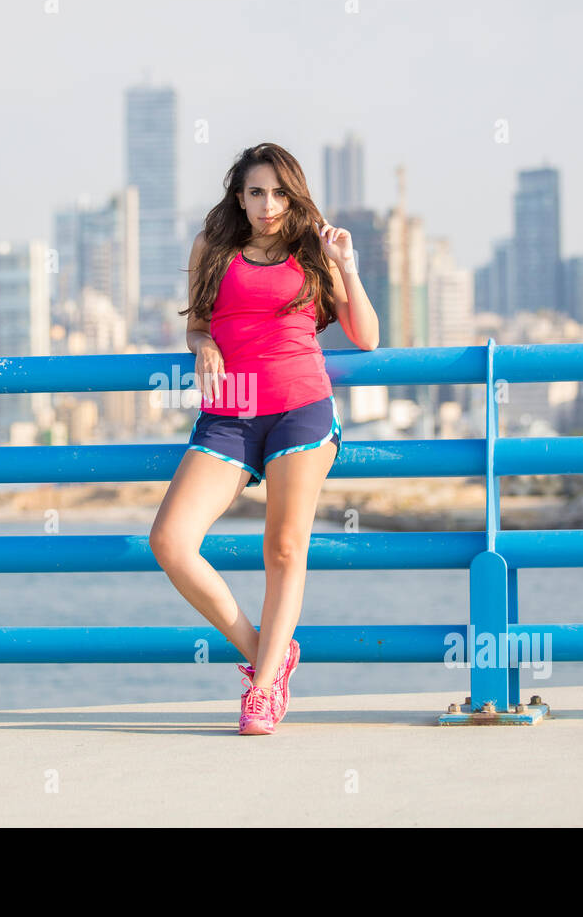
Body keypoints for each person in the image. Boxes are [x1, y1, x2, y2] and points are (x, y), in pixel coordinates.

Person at [149, 143, 380, 734]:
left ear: (293, 195)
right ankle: (266, 657)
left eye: (279, 193)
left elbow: (366, 338)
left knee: (282, 547)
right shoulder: (213, 248)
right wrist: (202, 343)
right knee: (171, 541)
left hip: (301, 406)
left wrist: (347, 265)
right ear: (239, 195)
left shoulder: (313, 250)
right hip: (231, 411)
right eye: (256, 192)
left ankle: (263, 690)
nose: (268, 205)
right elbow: (199, 324)